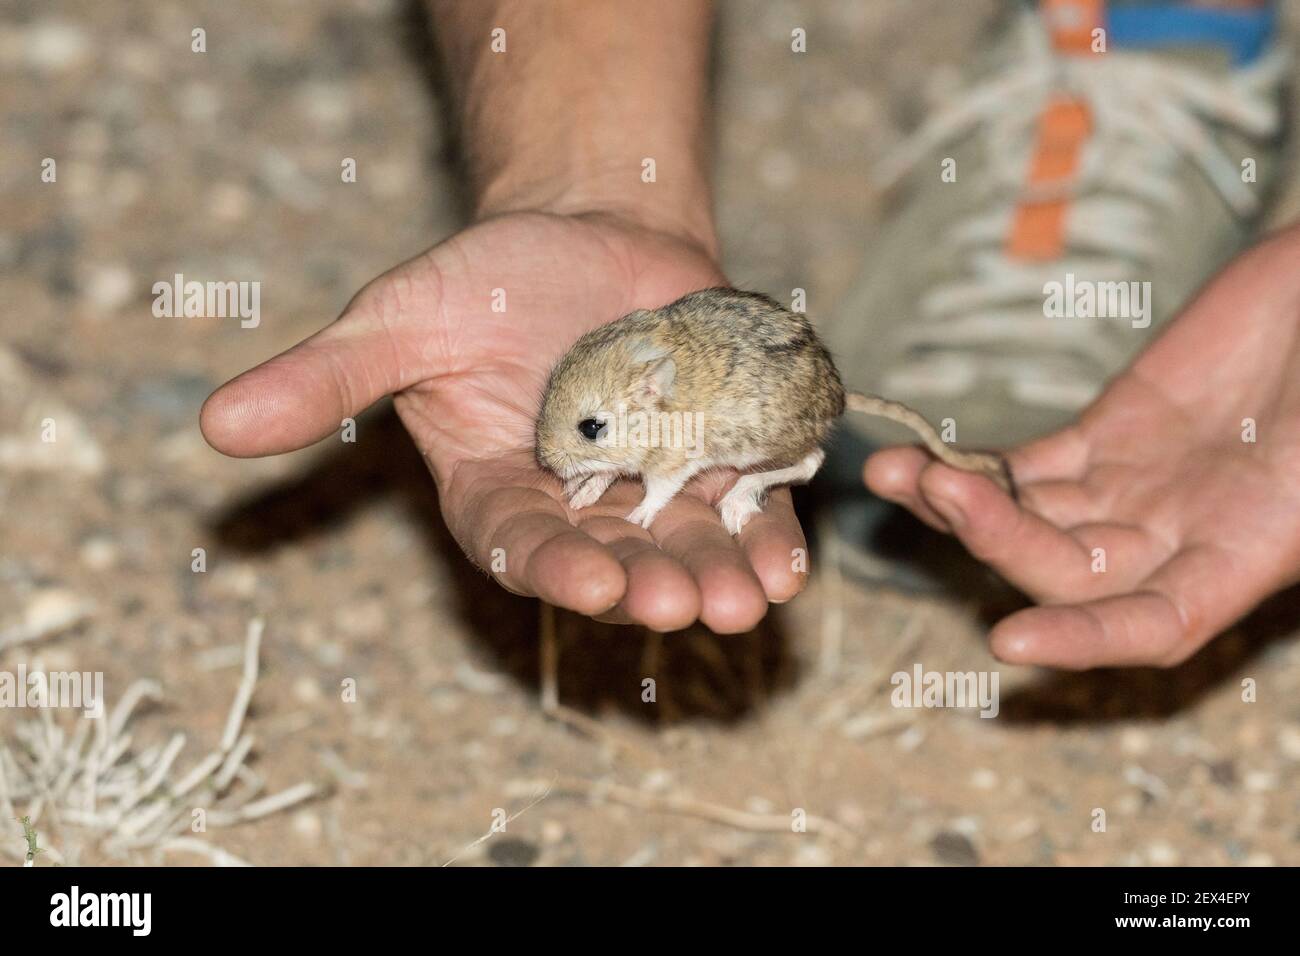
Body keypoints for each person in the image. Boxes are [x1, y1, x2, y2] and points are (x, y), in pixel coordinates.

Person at [200, 0, 1300, 670]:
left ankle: (1155, 31)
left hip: (765, 411)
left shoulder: (674, 417)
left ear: (639, 393)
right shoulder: (630, 392)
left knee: (762, 433)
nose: (568, 447)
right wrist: (593, 195)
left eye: (584, 430)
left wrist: (664, 481)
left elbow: (666, 452)